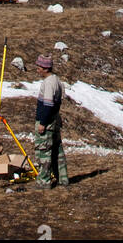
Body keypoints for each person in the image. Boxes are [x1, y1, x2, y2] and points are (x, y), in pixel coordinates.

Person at [34, 55, 68, 188]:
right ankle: (62, 178)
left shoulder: (48, 83)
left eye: (39, 67)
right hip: (54, 120)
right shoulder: (57, 81)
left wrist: (42, 122)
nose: (37, 69)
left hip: (46, 122)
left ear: (45, 68)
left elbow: (48, 104)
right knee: (57, 150)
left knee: (44, 151)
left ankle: (44, 181)